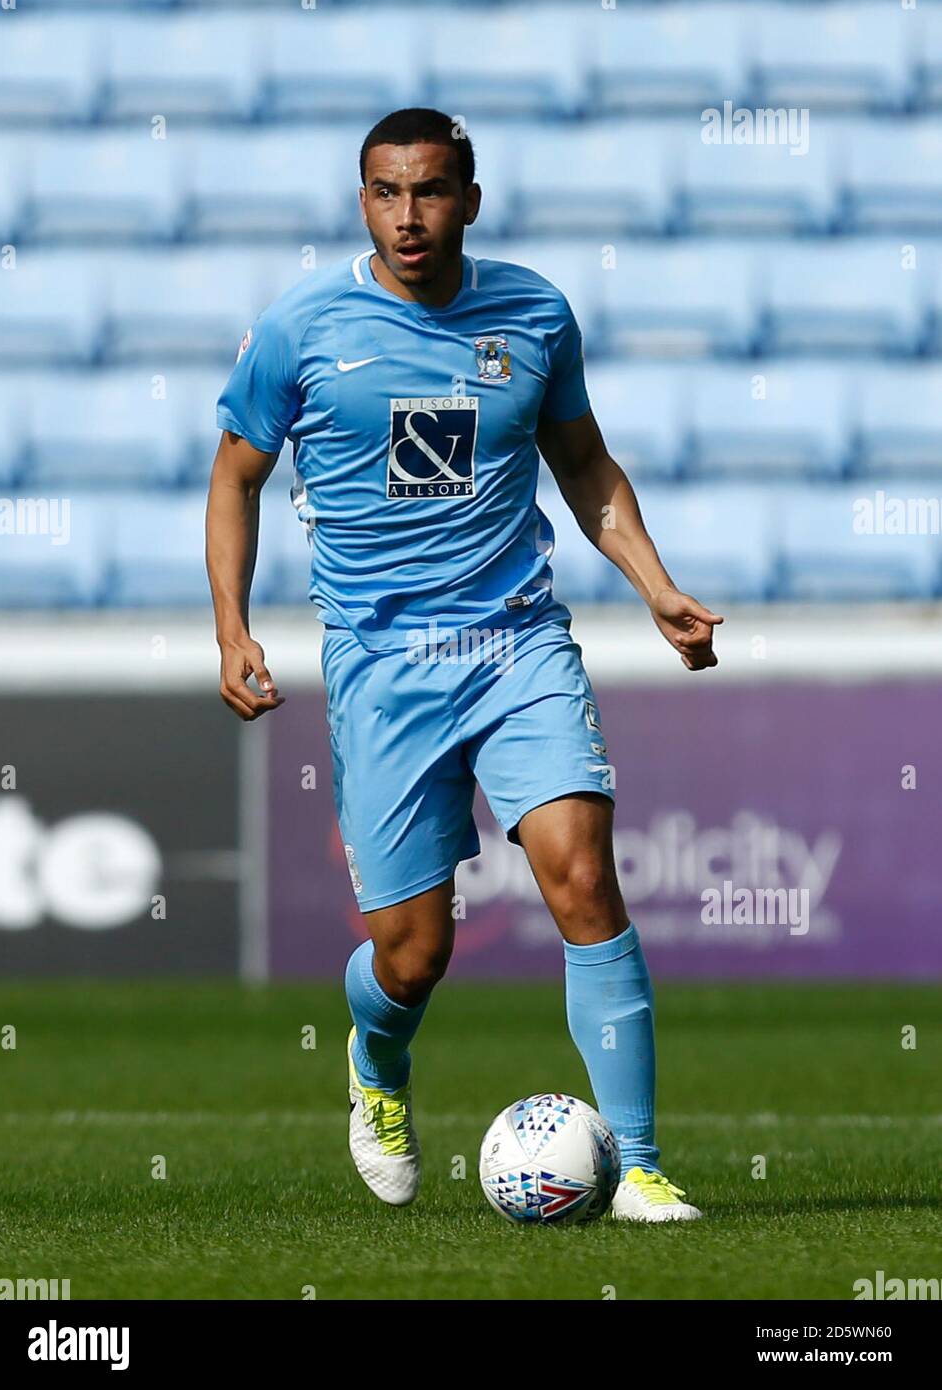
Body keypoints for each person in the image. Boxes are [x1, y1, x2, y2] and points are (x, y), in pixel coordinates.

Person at [206, 108, 723, 1222]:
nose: (409, 216)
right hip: (383, 664)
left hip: (517, 643)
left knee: (584, 877)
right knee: (413, 952)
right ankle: (378, 1063)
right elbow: (235, 476)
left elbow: (583, 464)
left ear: (469, 202)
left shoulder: (533, 313)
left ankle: (635, 1163)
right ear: (362, 203)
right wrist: (232, 628)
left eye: (431, 191)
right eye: (387, 193)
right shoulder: (303, 327)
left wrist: (655, 584)